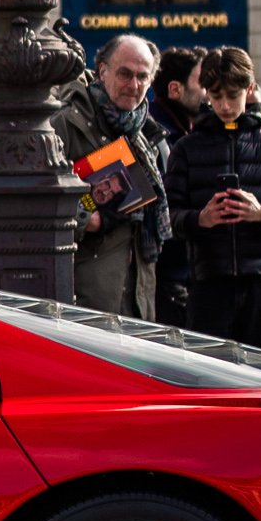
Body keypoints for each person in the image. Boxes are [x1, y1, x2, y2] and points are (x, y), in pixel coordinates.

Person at [161, 46, 261, 351]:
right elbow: (168, 217)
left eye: (233, 95)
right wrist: (201, 219)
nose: (225, 106)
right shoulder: (187, 149)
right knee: (210, 372)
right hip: (208, 282)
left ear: (249, 89)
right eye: (216, 97)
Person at [53, 35, 172, 318]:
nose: (134, 85)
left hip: (138, 301)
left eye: (143, 77)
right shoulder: (66, 123)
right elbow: (36, 200)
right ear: (103, 71)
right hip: (86, 299)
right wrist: (86, 219)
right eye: (125, 74)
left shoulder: (149, 136)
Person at [148, 47, 206, 322]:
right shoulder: (154, 136)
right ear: (175, 89)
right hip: (167, 278)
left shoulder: (191, 132)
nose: (209, 92)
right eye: (202, 82)